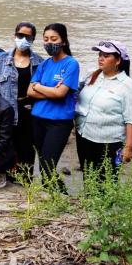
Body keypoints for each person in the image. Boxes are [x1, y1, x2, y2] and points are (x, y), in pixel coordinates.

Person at [75, 40, 132, 180]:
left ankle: (104, 203)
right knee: (88, 177)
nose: (101, 58)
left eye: (106, 55)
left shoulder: (127, 86)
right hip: (84, 135)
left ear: (118, 60)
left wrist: (128, 148)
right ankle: (89, 202)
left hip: (109, 142)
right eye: (100, 54)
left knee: (107, 180)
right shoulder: (93, 76)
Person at [28, 23, 80, 191]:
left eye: (54, 39)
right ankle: (53, 196)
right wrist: (51, 90)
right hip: (37, 119)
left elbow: (61, 94)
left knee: (47, 166)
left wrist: (39, 87)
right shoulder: (44, 64)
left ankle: (60, 196)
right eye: (46, 39)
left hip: (58, 123)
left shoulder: (71, 64)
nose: (49, 43)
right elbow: (29, 91)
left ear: (63, 40)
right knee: (43, 162)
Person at [0, 22, 43, 177]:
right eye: (20, 35)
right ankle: (6, 178)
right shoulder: (1, 61)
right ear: (14, 36)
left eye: (27, 36)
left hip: (30, 111)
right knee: (7, 145)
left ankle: (25, 180)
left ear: (33, 39)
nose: (23, 39)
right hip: (7, 110)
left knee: (27, 147)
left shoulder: (40, 62)